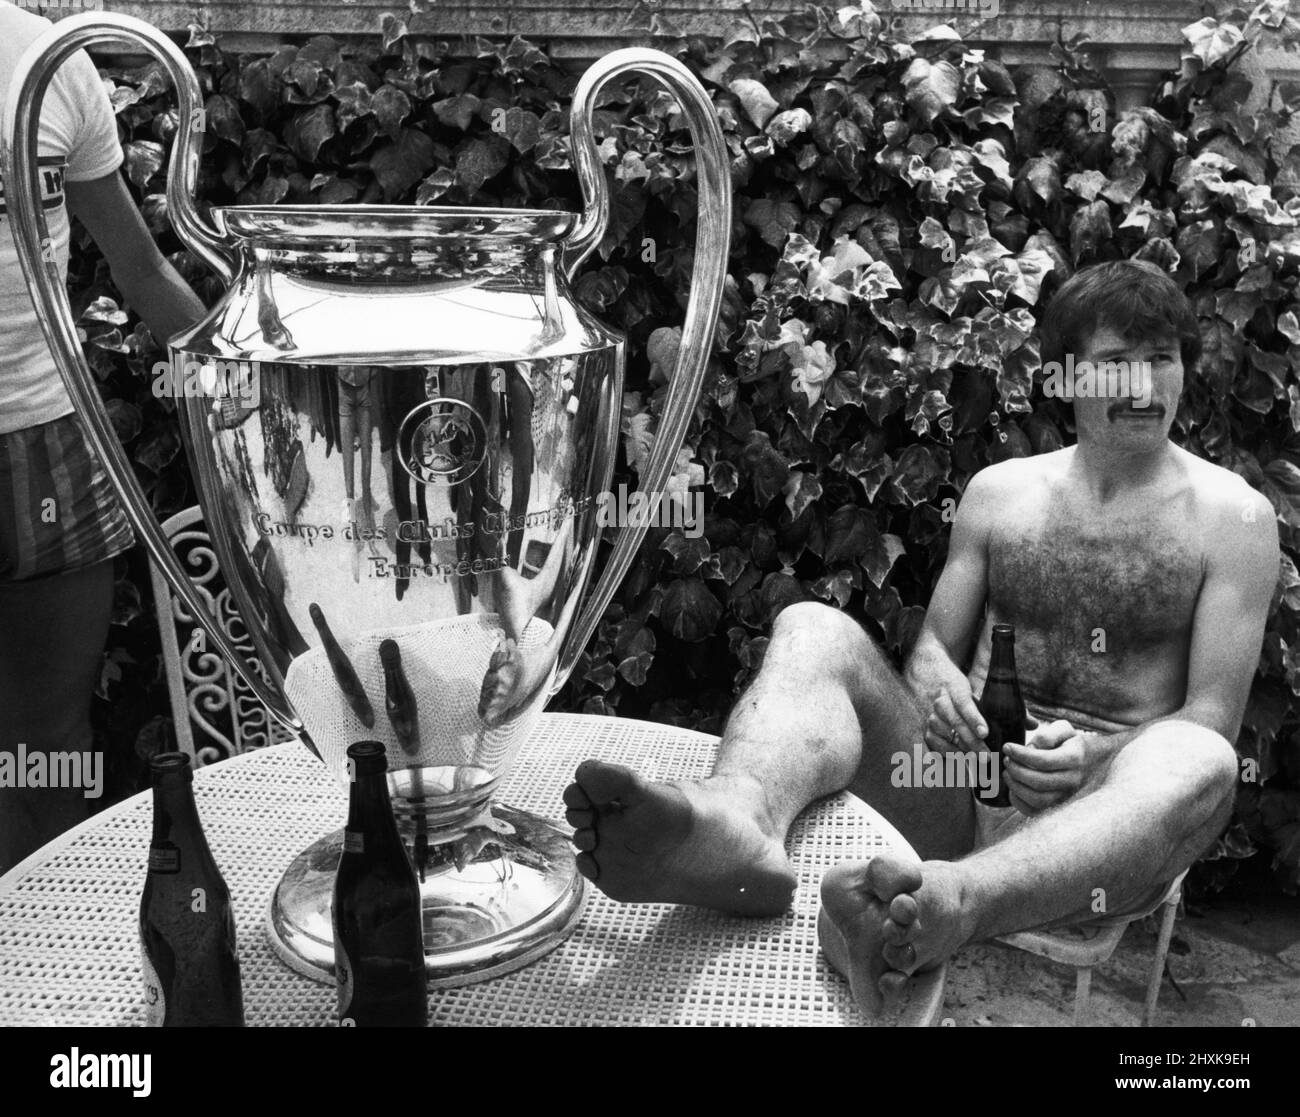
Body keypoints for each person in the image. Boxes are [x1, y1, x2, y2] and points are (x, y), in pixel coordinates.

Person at [562, 258, 1279, 1016]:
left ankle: (950, 902)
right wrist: (943, 699)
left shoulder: (1231, 520)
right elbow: (934, 647)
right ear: (1066, 379)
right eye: (1115, 365)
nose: (1143, 388)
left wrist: (1095, 754)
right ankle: (737, 824)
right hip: (955, 792)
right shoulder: (1000, 495)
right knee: (812, 627)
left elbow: (1210, 716)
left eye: (1161, 360)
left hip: (1103, 826)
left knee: (1203, 757)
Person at [0, 2, 206, 872]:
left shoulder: (49, 60)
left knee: (46, 746)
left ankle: (33, 957)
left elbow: (140, 265)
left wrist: (251, 400)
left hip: (49, 437)